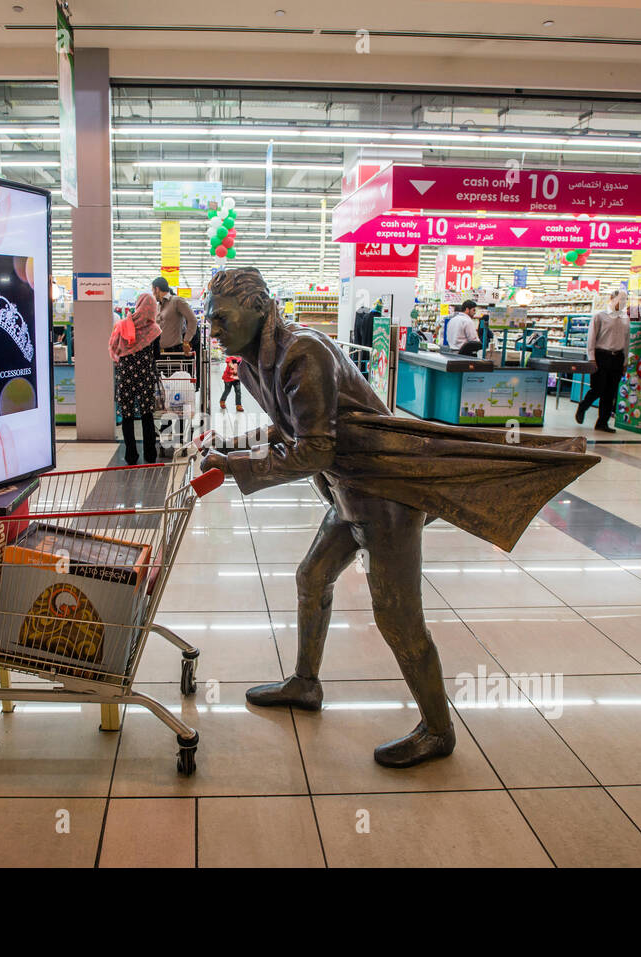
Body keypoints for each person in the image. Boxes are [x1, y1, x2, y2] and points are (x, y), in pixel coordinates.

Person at [198, 267, 597, 767]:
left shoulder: (303, 353)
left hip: (382, 497)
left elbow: (314, 451)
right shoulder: (256, 358)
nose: (210, 327)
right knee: (311, 577)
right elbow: (290, 427)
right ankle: (305, 684)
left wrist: (236, 467)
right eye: (208, 317)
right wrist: (229, 445)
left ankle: (438, 730)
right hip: (350, 492)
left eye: (219, 317)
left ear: (258, 308)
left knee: (397, 617)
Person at [109, 291, 162, 464]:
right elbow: (156, 355)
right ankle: (150, 454)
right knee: (147, 416)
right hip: (145, 377)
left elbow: (115, 349)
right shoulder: (154, 330)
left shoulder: (123, 325)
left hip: (126, 376)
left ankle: (131, 455)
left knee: (127, 416)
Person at [575, 289, 630, 434]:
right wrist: (591, 358)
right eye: (621, 299)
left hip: (617, 357)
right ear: (612, 298)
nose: (623, 303)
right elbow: (591, 338)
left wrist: (625, 361)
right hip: (601, 356)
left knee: (610, 391)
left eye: (625, 300)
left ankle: (602, 422)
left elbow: (627, 341)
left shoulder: (625, 319)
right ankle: (583, 406)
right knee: (598, 388)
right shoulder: (600, 316)